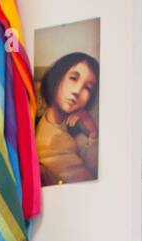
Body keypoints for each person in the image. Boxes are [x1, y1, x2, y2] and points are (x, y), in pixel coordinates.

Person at [35, 52, 99, 186]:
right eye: (73, 78)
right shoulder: (42, 136)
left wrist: (92, 132)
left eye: (87, 87)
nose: (77, 91)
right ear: (57, 78)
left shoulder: (75, 134)